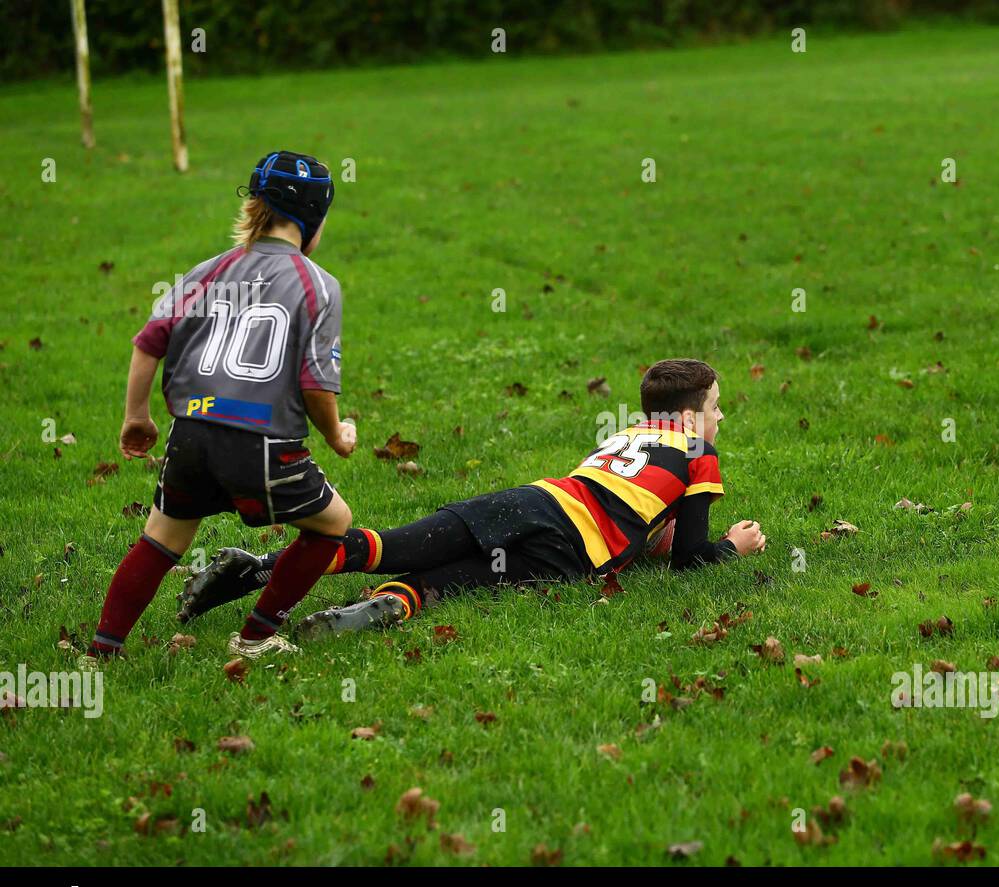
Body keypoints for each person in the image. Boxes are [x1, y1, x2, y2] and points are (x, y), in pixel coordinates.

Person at [177, 358, 766, 637]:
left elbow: (629, 499)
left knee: (394, 544)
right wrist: (733, 546)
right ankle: (371, 613)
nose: (719, 417)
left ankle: (256, 571)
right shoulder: (698, 452)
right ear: (692, 416)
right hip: (571, 554)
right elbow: (690, 555)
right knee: (454, 580)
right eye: (716, 407)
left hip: (536, 500)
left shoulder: (628, 434)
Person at [88, 150, 355, 662]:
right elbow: (317, 385)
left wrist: (137, 416)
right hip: (261, 441)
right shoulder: (318, 285)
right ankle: (256, 636)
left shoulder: (207, 270)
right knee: (333, 524)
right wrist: (337, 435)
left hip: (190, 431)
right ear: (315, 218)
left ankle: (101, 651)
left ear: (255, 203)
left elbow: (148, 343)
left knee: (160, 540)